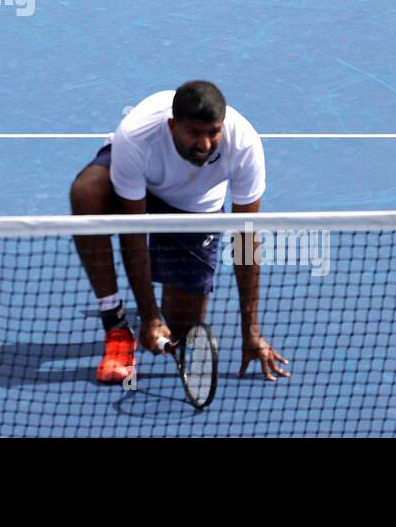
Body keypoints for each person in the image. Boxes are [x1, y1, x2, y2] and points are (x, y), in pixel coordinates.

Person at [69, 80, 290, 384]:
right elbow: (133, 235)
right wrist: (149, 317)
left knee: (183, 330)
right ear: (173, 126)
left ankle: (162, 315)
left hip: (195, 205)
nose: (205, 144)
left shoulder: (245, 145)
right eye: (194, 133)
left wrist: (251, 330)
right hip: (139, 180)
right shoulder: (136, 135)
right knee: (87, 193)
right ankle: (116, 324)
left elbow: (245, 239)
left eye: (213, 132)